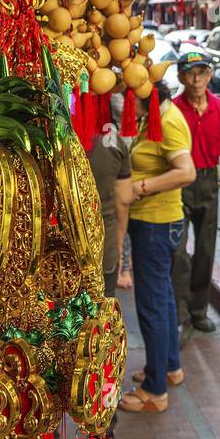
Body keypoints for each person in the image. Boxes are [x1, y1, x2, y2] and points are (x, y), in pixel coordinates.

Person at [118, 81, 196, 415]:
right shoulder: (153, 118)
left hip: (156, 225)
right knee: (162, 300)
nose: (125, 104)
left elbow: (186, 171)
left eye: (129, 98)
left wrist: (140, 187)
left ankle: (154, 391)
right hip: (154, 223)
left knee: (151, 305)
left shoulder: (167, 121)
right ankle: (168, 368)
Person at [171, 48, 220, 344]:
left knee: (205, 250)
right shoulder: (173, 109)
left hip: (208, 182)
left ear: (210, 75)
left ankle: (199, 311)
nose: (196, 78)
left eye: (202, 72)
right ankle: (179, 313)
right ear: (181, 77)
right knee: (177, 253)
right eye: (190, 73)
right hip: (178, 184)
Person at [88, 100, 134, 295]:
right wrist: (119, 250)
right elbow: (122, 202)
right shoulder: (114, 142)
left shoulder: (53, 135)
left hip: (56, 258)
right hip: (103, 250)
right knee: (100, 320)